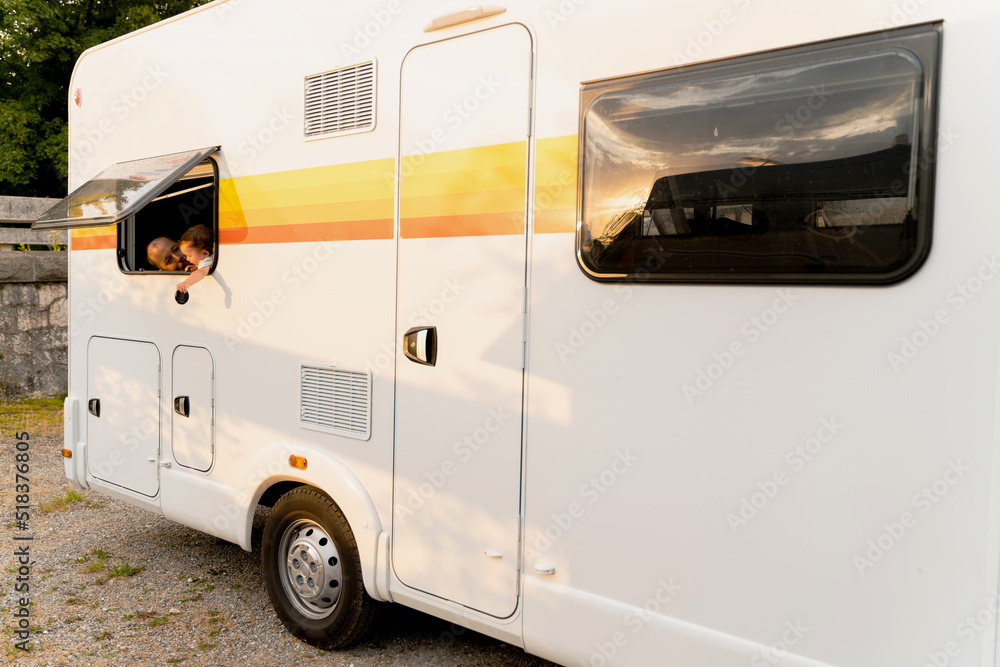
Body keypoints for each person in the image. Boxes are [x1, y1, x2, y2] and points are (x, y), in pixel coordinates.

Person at [175, 224, 214, 294]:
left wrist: (186, 283)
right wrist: (197, 268)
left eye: (189, 256)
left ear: (205, 253)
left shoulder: (205, 261)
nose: (187, 259)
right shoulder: (211, 258)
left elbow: (201, 272)